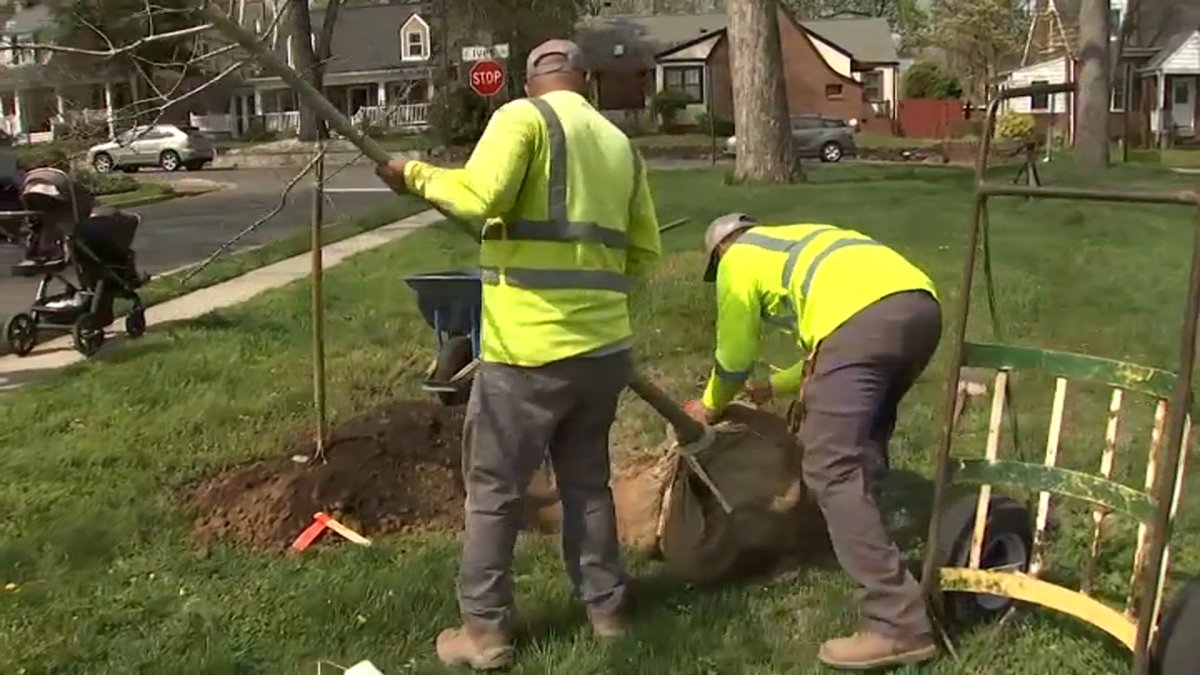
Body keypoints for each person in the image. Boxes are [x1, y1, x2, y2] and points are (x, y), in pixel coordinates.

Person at [376, 39, 661, 670]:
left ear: (532, 81)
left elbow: (478, 199)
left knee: (495, 492)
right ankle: (607, 610)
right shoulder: (621, 146)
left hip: (527, 353)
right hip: (604, 351)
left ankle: (486, 632)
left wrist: (413, 176)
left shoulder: (521, 119)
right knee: (588, 483)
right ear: (583, 82)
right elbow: (643, 253)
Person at [683, 213, 942, 671]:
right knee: (864, 443)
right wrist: (771, 389)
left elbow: (733, 357)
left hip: (864, 325)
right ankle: (849, 541)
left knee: (829, 465)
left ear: (719, 253)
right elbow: (828, 355)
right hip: (919, 309)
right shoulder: (801, 242)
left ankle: (897, 621)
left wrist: (709, 404)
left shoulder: (736, 262)